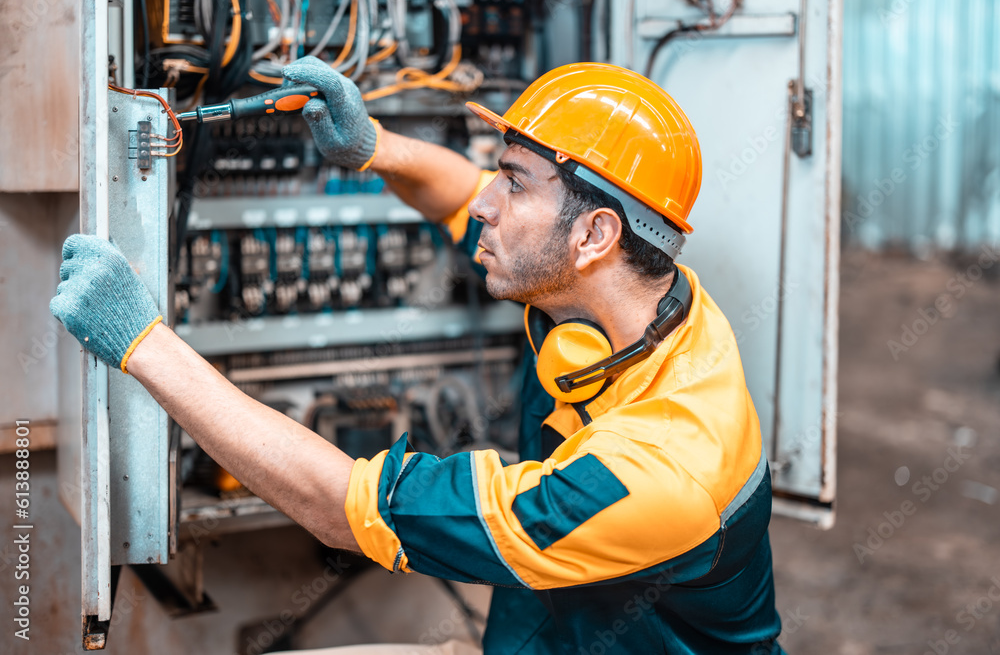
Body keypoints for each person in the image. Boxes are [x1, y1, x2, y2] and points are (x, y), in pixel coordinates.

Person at [50, 59, 784, 654]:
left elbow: (345, 507)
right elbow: (458, 195)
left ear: (593, 235)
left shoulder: (656, 475)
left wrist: (141, 342)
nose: (488, 203)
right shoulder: (638, 296)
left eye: (515, 182)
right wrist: (372, 146)